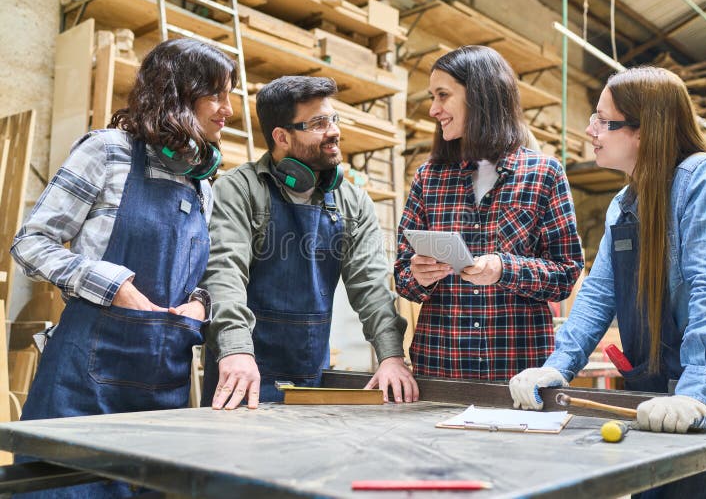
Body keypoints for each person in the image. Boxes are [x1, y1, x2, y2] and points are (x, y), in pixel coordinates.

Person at [509, 66, 706, 498]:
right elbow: (598, 294)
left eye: (604, 121)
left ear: (645, 130)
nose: (590, 130)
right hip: (658, 401)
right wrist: (556, 367)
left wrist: (697, 392)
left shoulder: (703, 178)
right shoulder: (624, 204)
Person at [10, 37, 234, 497]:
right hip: (85, 385)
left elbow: (201, 273)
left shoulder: (201, 184)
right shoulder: (108, 151)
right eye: (217, 95)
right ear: (179, 92)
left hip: (162, 392)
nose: (229, 110)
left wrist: (200, 304)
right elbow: (30, 243)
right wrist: (113, 285)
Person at [200, 75, 418, 409]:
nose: (333, 131)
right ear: (281, 137)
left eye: (333, 119)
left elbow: (371, 286)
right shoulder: (239, 189)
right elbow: (223, 275)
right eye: (317, 123)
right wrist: (236, 349)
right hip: (239, 378)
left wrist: (391, 355)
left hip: (310, 381)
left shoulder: (352, 201)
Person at [394, 45, 584, 381]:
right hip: (440, 370)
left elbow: (566, 274)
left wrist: (504, 268)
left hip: (520, 373)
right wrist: (418, 276)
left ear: (480, 96)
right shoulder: (429, 178)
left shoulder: (544, 173)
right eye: (432, 97)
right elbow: (403, 278)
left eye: (443, 95)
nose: (433, 110)